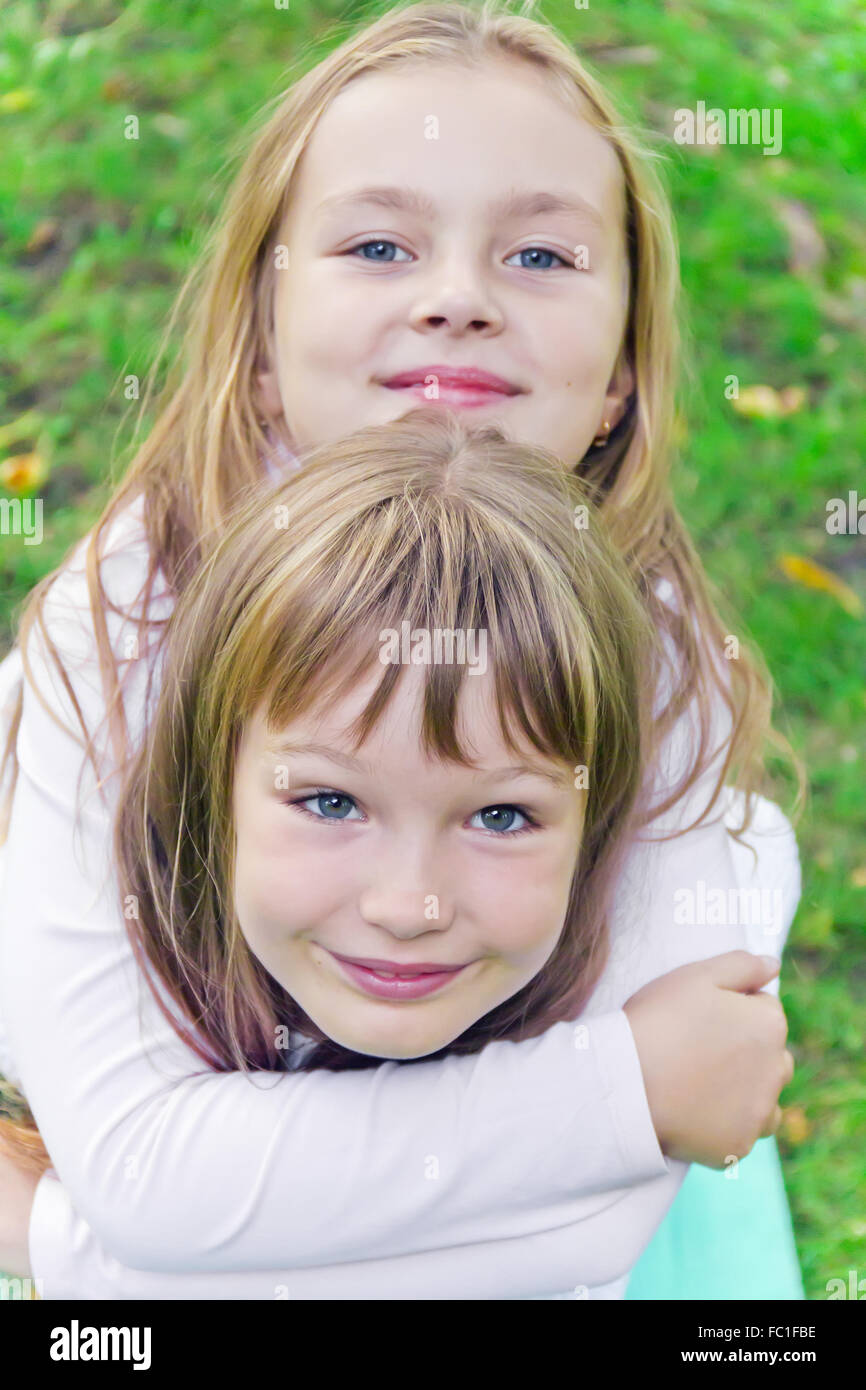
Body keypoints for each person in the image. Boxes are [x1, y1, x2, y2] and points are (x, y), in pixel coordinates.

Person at [0, 0, 802, 1297]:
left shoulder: (660, 668)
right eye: (378, 244)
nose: (456, 300)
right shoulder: (115, 636)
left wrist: (67, 1238)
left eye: (540, 257)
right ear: (260, 339)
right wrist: (617, 1092)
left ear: (617, 375)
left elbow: (590, 1238)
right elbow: (148, 1174)